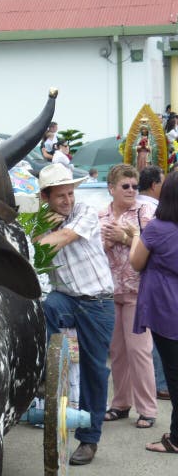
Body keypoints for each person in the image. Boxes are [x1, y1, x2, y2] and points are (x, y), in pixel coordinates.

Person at [35, 163, 115, 466]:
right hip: (66, 299)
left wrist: (38, 235)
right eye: (60, 196)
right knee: (45, 308)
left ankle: (90, 440)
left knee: (96, 371)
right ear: (45, 197)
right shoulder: (39, 222)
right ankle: (43, 373)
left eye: (70, 193)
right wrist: (40, 228)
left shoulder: (85, 211)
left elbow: (63, 238)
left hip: (97, 303)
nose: (67, 199)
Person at [99, 164, 157, 429]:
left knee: (139, 351)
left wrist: (124, 237)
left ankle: (148, 409)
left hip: (138, 290)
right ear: (112, 189)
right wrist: (114, 240)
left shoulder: (146, 211)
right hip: (110, 291)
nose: (132, 190)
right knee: (117, 352)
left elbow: (151, 245)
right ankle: (121, 403)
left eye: (134, 186)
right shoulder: (101, 214)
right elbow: (94, 247)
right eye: (126, 186)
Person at [130, 169, 178, 454]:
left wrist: (136, 235)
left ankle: (175, 439)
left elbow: (137, 262)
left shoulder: (158, 228)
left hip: (166, 308)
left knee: (174, 377)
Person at [135, 166, 170, 401]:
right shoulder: (151, 210)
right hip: (151, 280)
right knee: (159, 337)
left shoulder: (146, 207)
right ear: (155, 185)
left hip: (147, 281)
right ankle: (161, 384)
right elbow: (142, 255)